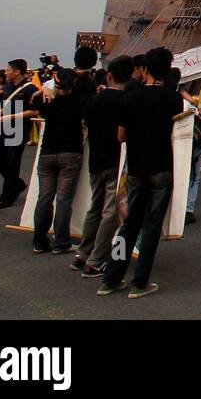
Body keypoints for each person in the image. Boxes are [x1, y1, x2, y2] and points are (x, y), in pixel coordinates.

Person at [99, 49, 184, 299]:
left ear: (144, 70)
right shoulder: (173, 99)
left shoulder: (131, 98)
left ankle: (110, 278)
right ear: (167, 71)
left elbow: (120, 136)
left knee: (128, 225)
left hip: (136, 168)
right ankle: (140, 283)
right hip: (162, 167)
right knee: (151, 227)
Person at [75, 56, 131, 274]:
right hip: (115, 161)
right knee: (110, 211)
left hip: (95, 159)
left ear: (109, 75)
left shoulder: (95, 99)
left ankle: (83, 252)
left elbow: (85, 124)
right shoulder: (126, 101)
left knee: (94, 207)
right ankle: (97, 258)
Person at [31, 68, 88, 254]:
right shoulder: (80, 102)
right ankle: (61, 241)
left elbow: (35, 97)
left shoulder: (48, 103)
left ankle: (39, 241)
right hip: (70, 153)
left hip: (47, 153)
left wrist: (44, 91)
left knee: (44, 198)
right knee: (64, 199)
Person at [0, 60, 37, 211]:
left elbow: (34, 111)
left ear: (17, 72)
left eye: (8, 70)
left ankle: (7, 197)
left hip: (18, 129)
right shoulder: (7, 88)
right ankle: (17, 185)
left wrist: (12, 116)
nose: (5, 73)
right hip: (2, 128)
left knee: (12, 163)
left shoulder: (30, 89)